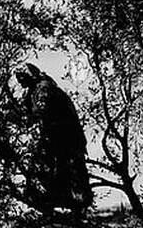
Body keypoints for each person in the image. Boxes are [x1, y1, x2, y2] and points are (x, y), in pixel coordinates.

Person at [12, 61, 93, 213]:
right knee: (50, 172)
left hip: (66, 137)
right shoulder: (33, 91)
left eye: (22, 77)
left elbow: (41, 111)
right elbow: (28, 115)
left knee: (70, 173)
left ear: (29, 76)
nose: (20, 81)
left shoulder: (44, 88)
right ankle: (54, 204)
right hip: (55, 137)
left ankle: (74, 207)